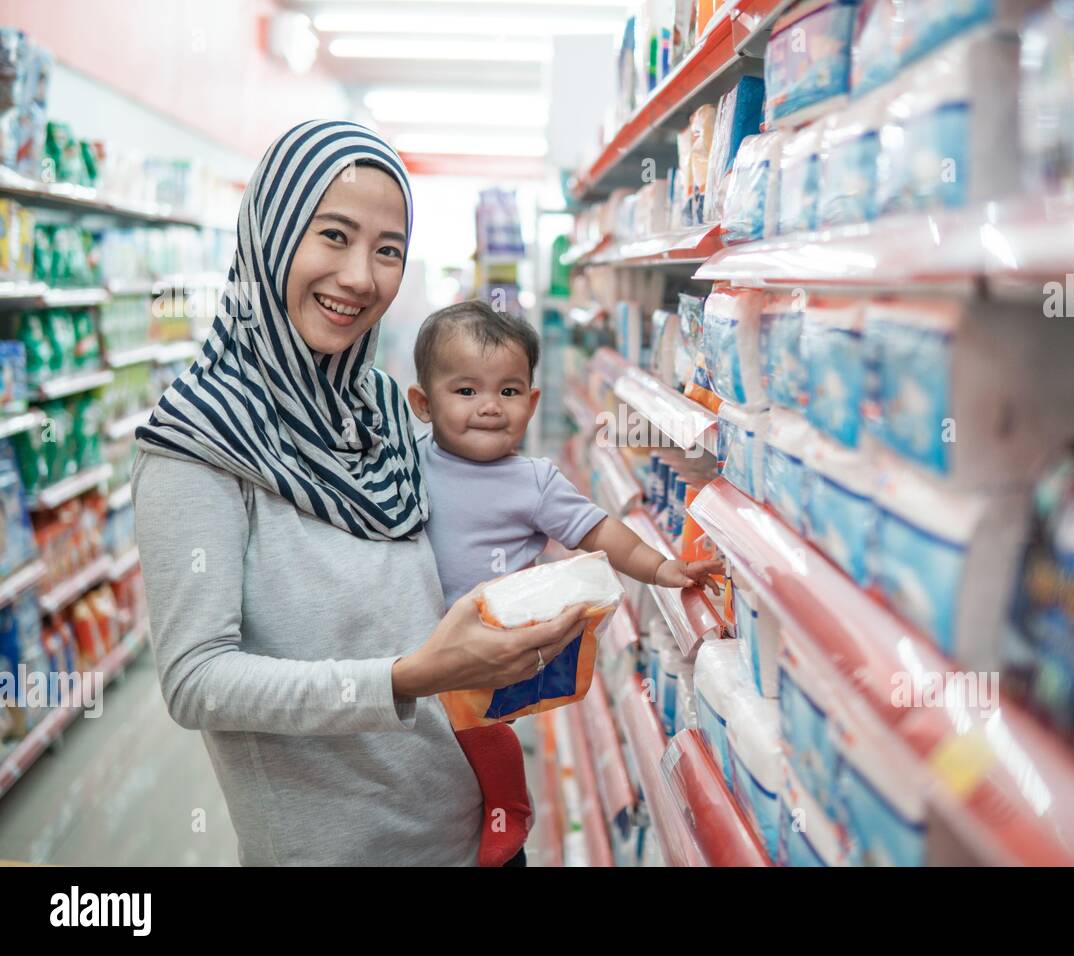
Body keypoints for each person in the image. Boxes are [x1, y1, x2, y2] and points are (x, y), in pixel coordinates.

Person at [130, 120, 584, 866]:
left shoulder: (379, 402)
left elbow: (427, 585)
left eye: (388, 249)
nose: (361, 277)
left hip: (475, 835)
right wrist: (406, 678)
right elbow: (196, 682)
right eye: (333, 235)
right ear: (270, 232)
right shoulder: (197, 440)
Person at [406, 299, 723, 866]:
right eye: (465, 391)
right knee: (429, 736)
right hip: (412, 637)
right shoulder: (406, 464)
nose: (488, 408)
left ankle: (509, 808)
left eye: (507, 392)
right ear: (423, 404)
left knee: (481, 728)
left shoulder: (535, 482)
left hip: (488, 644)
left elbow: (602, 533)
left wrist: (660, 567)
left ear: (531, 403)